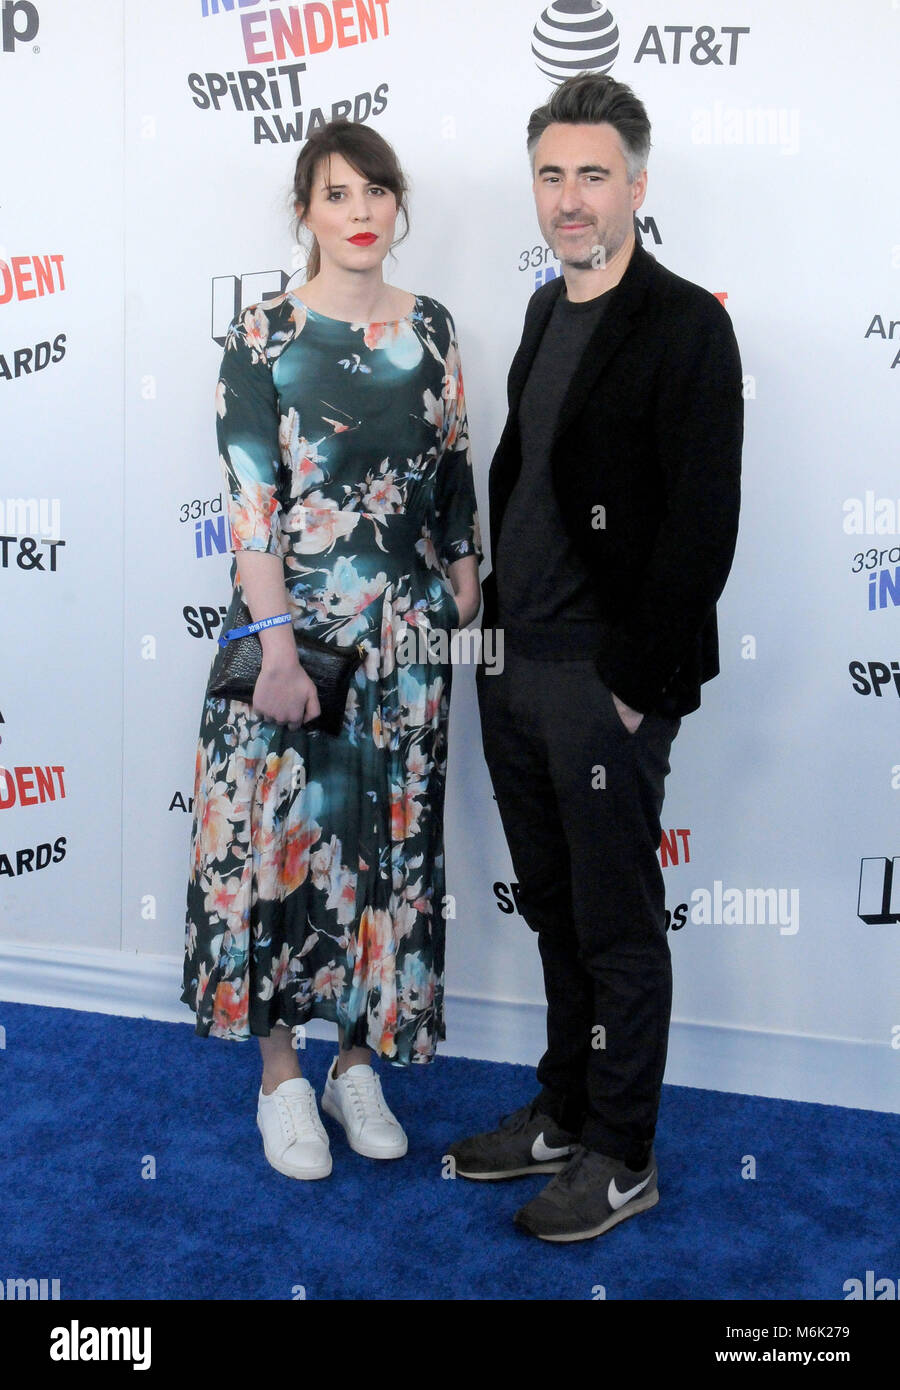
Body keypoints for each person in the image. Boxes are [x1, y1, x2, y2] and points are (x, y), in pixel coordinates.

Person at [447, 73, 743, 1240]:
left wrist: (631, 688)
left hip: (600, 684)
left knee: (616, 926)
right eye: (553, 176)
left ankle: (623, 1152)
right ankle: (565, 1111)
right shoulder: (540, 311)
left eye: (595, 175)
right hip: (514, 667)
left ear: (638, 183)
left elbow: (700, 529)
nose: (571, 199)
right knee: (557, 914)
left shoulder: (686, 325)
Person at [182, 120, 482, 1181]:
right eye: (337, 193)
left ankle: (358, 1059)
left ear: (398, 207)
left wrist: (464, 576)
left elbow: (451, 469)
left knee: (386, 854)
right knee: (280, 847)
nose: (361, 212)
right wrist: (273, 652)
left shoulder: (437, 328)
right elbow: (250, 508)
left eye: (377, 192)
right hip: (292, 633)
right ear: (304, 211)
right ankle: (281, 1078)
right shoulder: (261, 334)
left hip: (405, 647)